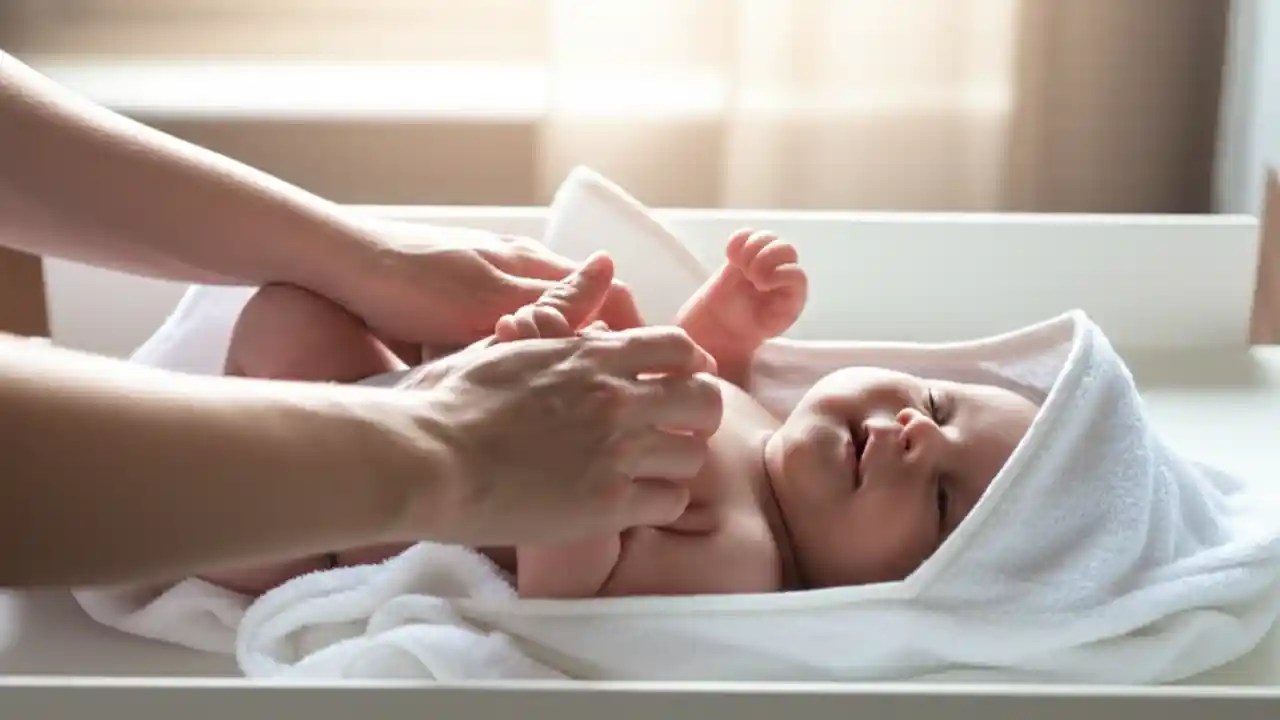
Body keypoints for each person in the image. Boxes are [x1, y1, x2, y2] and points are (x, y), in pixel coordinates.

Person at [0, 50, 723, 589]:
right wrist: (448, 440)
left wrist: (365, 259)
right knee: (292, 321)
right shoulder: (772, 451)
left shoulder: (753, 573)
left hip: (334, 533)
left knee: (291, 321)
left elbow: (583, 613)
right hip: (404, 457)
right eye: (845, 387)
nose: (841, 403)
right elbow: (721, 373)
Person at [203, 228, 1039, 598]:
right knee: (291, 314)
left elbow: (575, 590)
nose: (918, 435)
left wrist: (529, 373)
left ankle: (172, 453)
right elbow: (691, 371)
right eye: (936, 404)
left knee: (233, 499)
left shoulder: (739, 561)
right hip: (388, 395)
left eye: (942, 500)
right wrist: (729, 324)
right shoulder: (765, 426)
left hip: (329, 519)